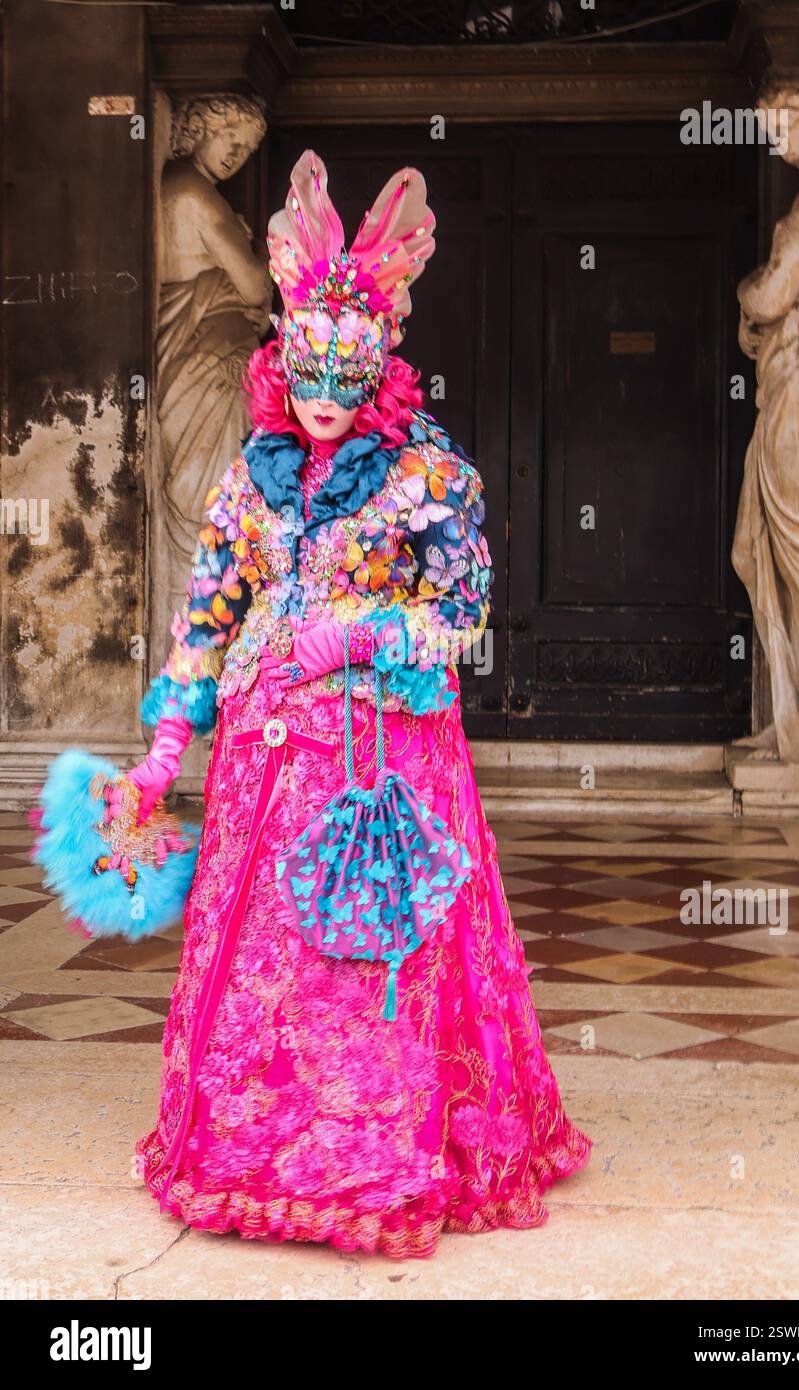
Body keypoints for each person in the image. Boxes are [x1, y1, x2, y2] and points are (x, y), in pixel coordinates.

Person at [134, 151, 591, 1258]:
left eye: (348, 379)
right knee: (267, 960)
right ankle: (254, 1142)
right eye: (308, 378)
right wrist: (161, 751)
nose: (327, 401)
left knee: (368, 958)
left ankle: (380, 1147)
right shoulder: (248, 478)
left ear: (381, 367)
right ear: (282, 362)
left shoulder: (429, 477)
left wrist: (359, 633)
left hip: (382, 758)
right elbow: (207, 616)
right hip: (263, 760)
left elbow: (464, 613)